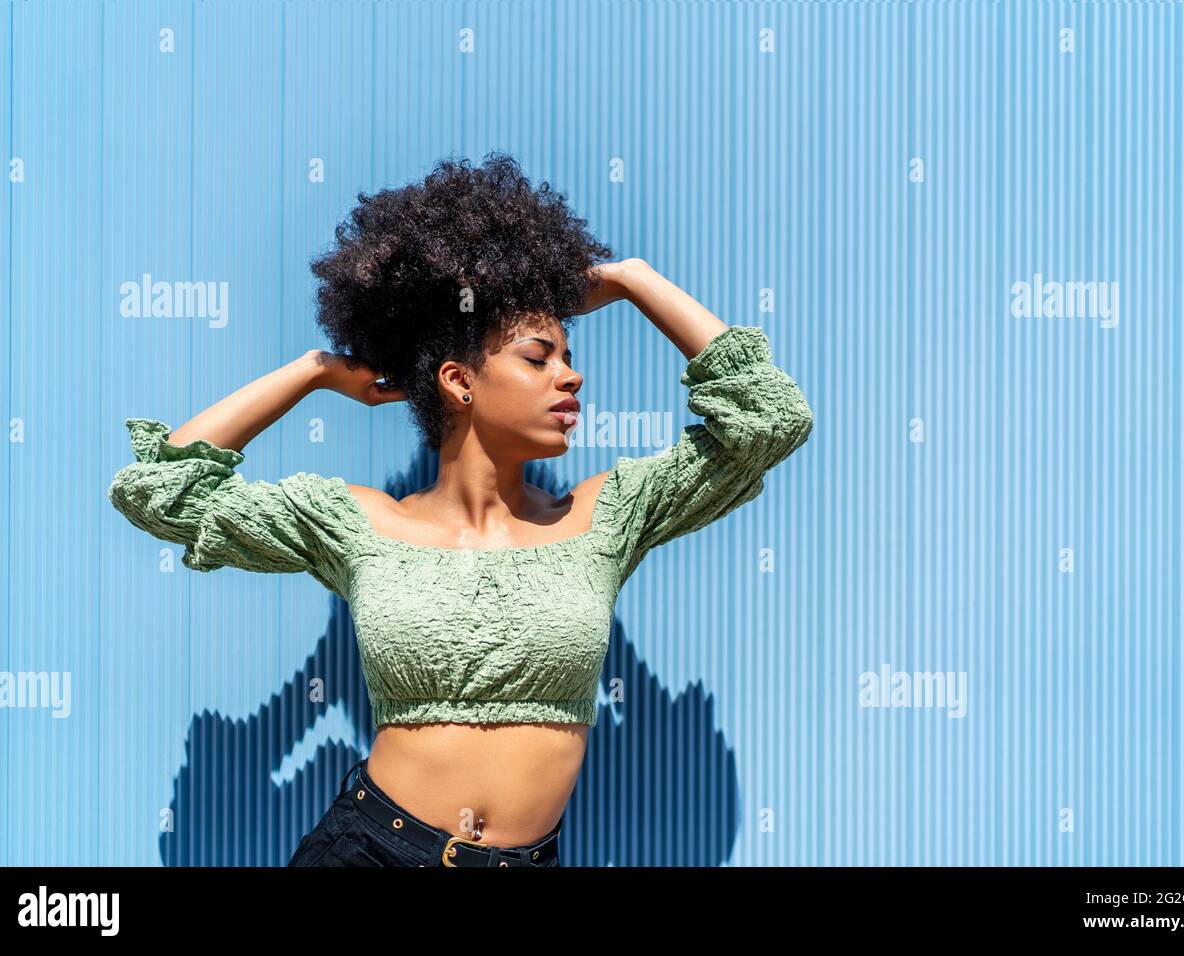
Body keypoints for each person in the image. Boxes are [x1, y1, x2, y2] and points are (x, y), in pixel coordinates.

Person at [107, 152, 813, 867]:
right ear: (458, 380)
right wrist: (315, 373)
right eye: (538, 357)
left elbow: (769, 419)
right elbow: (162, 488)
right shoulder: (359, 522)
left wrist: (633, 280)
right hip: (366, 851)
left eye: (567, 356)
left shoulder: (609, 515)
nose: (571, 375)